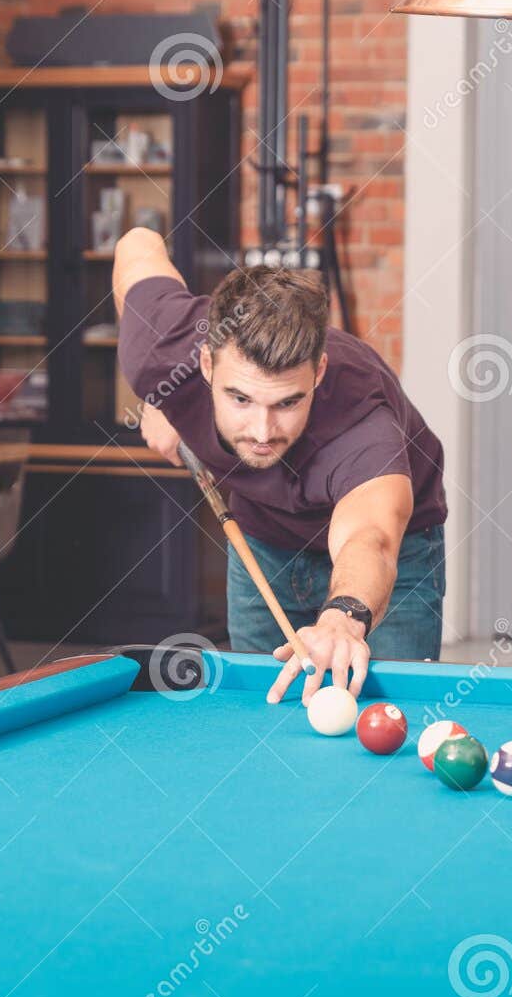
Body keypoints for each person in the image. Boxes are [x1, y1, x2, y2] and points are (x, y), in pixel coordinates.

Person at [113, 228, 448, 705]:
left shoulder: (363, 428)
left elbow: (369, 536)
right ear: (206, 365)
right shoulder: (163, 350)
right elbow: (137, 242)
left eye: (288, 402)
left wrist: (343, 615)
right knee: (264, 711)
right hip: (263, 539)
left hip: (397, 554)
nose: (263, 430)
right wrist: (157, 397)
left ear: (320, 372)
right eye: (240, 398)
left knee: (387, 716)